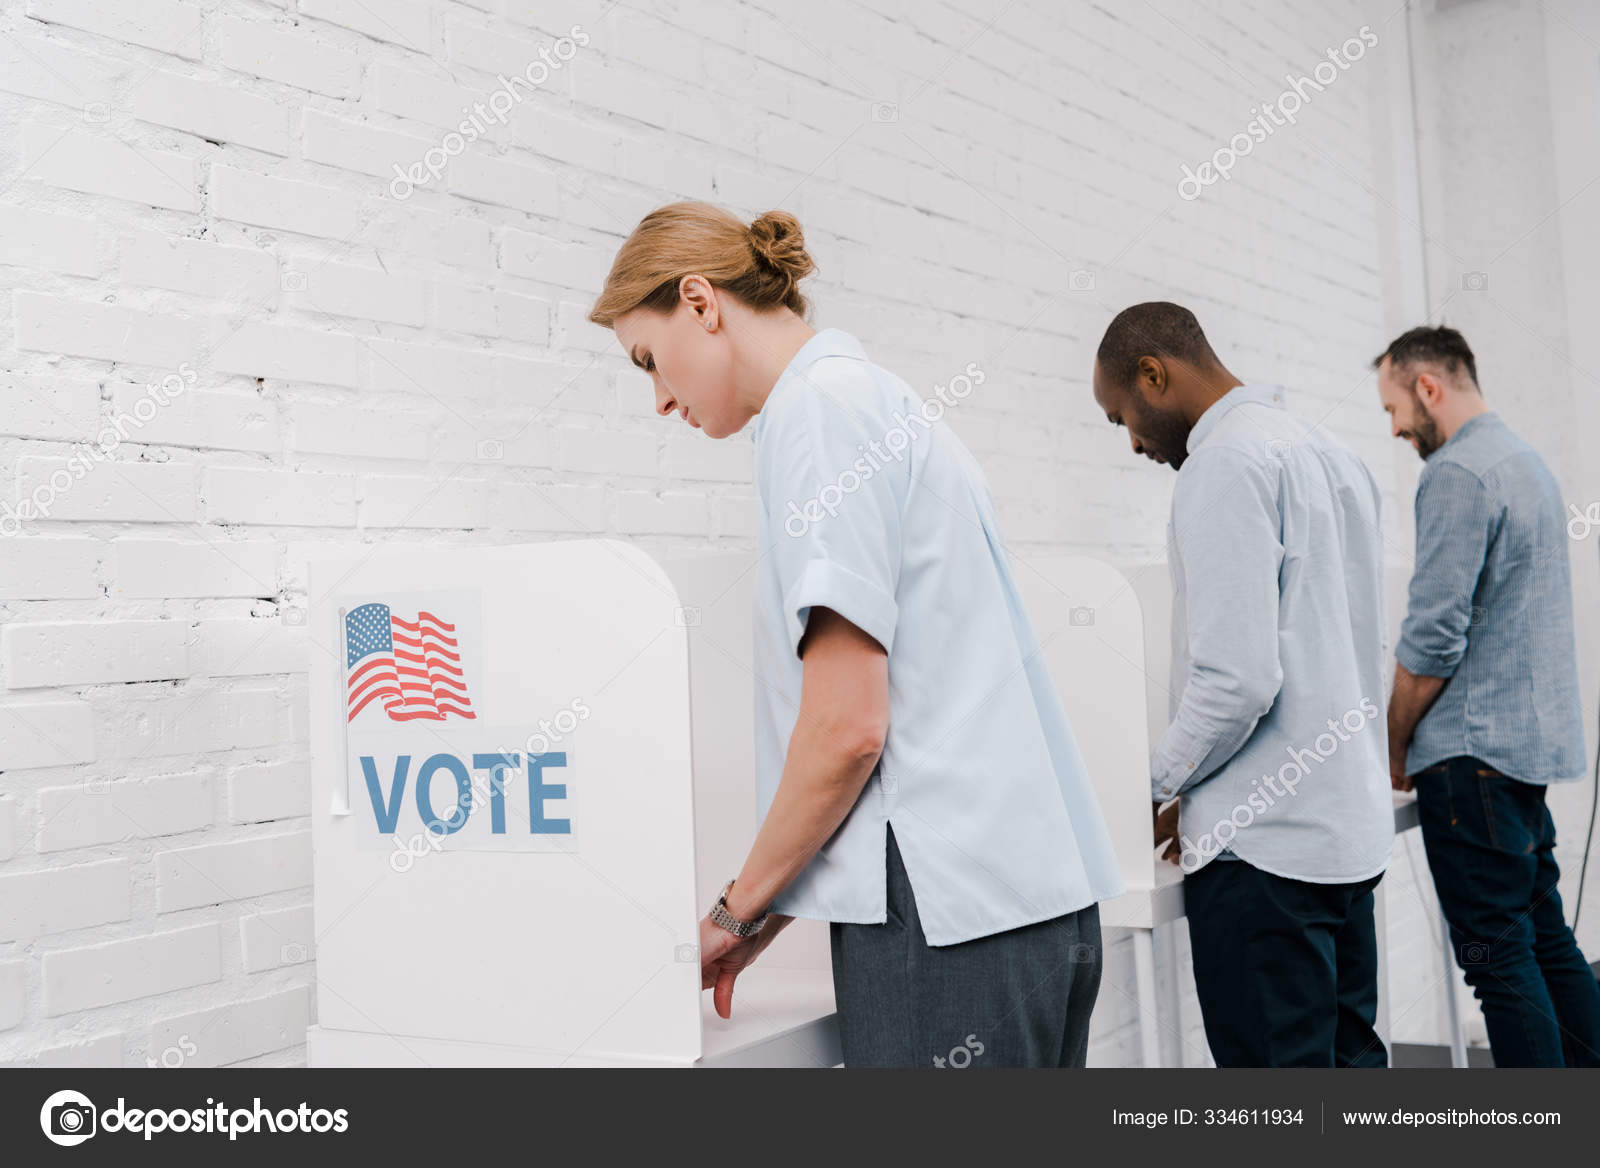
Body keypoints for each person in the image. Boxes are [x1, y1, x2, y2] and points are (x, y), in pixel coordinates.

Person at [587, 202, 1123, 1068]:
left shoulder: (819, 416)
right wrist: (770, 908)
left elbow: (849, 730)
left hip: (945, 927)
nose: (658, 399)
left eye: (649, 359)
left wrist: (734, 913)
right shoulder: (877, 401)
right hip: (1027, 914)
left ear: (699, 301)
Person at [1092, 301, 1395, 1067]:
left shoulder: (1224, 464)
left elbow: (1238, 680)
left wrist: (1152, 789)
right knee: (1352, 1066)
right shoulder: (1329, 451)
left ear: (1154, 375)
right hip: (1343, 837)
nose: (1133, 442)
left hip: (1265, 858)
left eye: (1122, 416)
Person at [1375, 325, 1600, 1067]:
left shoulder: (1457, 474)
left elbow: (1432, 637)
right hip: (1522, 757)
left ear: (1428, 386)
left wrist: (1393, 745)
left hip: (1470, 761)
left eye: (1393, 408)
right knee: (1546, 942)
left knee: (1499, 962)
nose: (1395, 428)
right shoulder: (1524, 463)